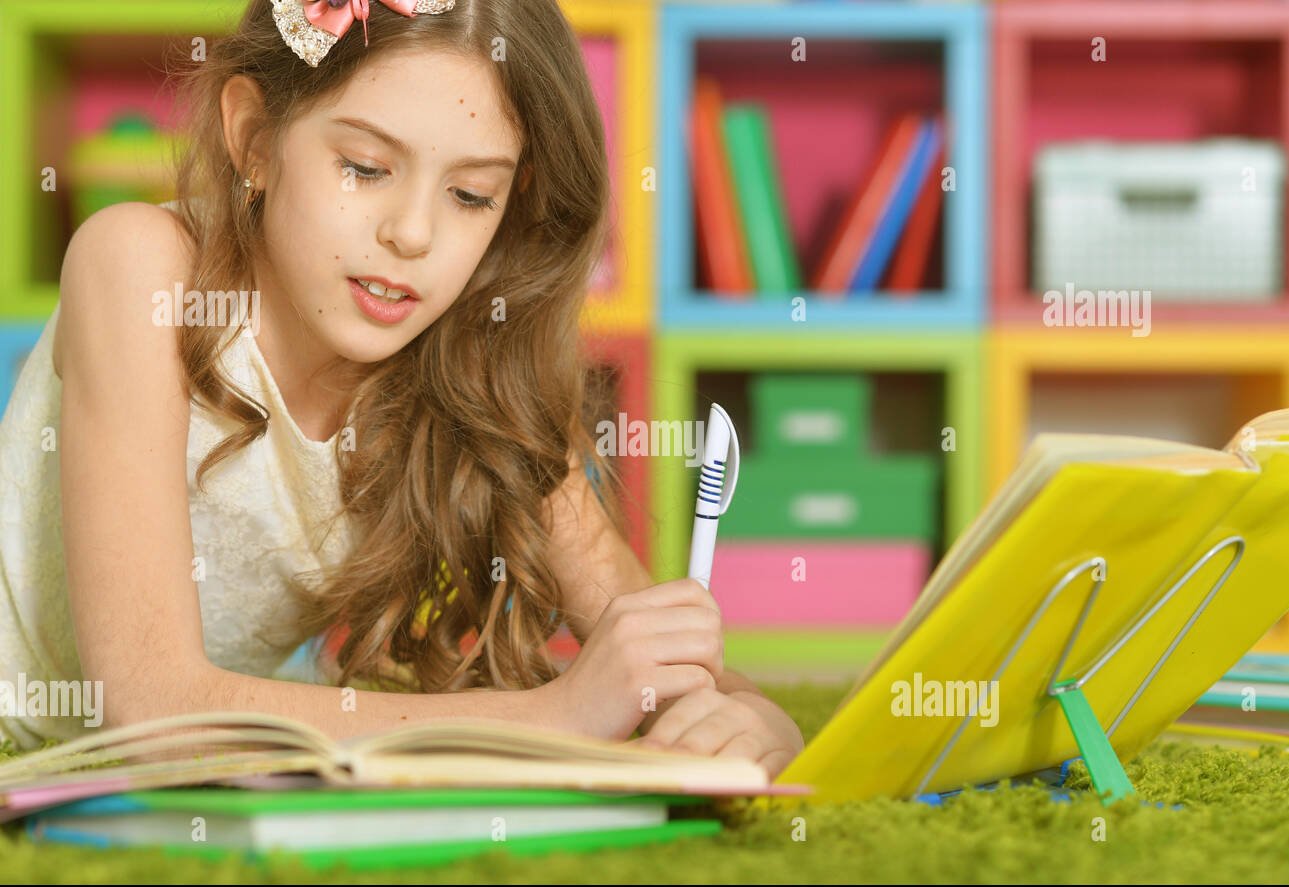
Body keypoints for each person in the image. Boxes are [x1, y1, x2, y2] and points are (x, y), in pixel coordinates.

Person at [0, 0, 802, 778]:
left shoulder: (471, 360)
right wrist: (556, 717)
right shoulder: (140, 266)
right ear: (252, 138)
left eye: (469, 195)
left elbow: (655, 651)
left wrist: (755, 719)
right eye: (365, 167)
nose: (412, 234)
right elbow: (154, 710)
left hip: (214, 769)